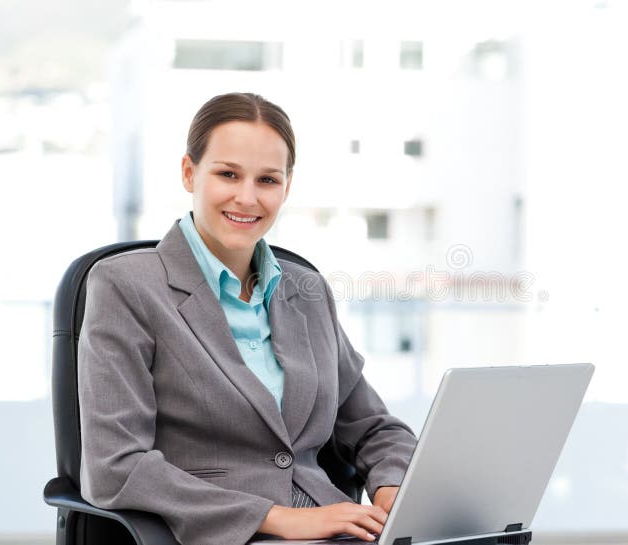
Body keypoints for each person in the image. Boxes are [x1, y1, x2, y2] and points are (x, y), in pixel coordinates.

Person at [78, 92, 417, 545]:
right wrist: (276, 518)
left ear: (287, 187)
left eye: (268, 180)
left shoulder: (306, 291)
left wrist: (392, 484)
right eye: (228, 174)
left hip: (331, 528)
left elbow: (373, 426)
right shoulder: (126, 286)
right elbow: (115, 465)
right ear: (188, 172)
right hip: (210, 534)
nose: (248, 197)